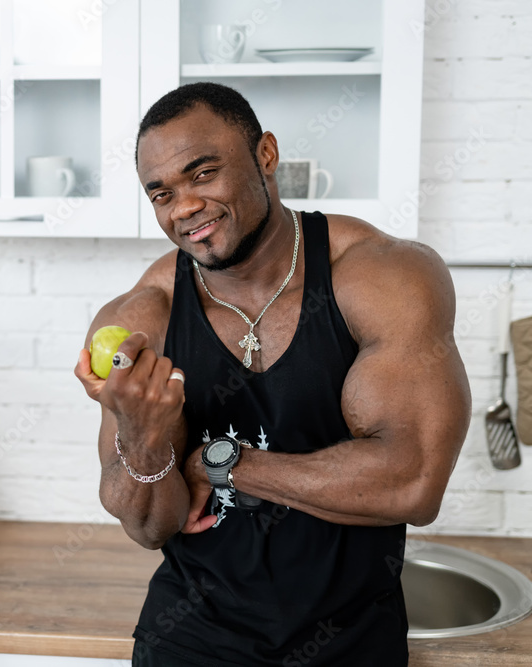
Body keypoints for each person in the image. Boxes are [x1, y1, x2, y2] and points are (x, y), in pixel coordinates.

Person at [74, 82, 470, 666]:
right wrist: (143, 434)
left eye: (203, 174)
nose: (182, 207)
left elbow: (412, 483)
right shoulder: (141, 318)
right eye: (161, 194)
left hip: (352, 644)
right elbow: (150, 525)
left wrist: (219, 461)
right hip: (190, 640)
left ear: (265, 155)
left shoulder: (384, 277)